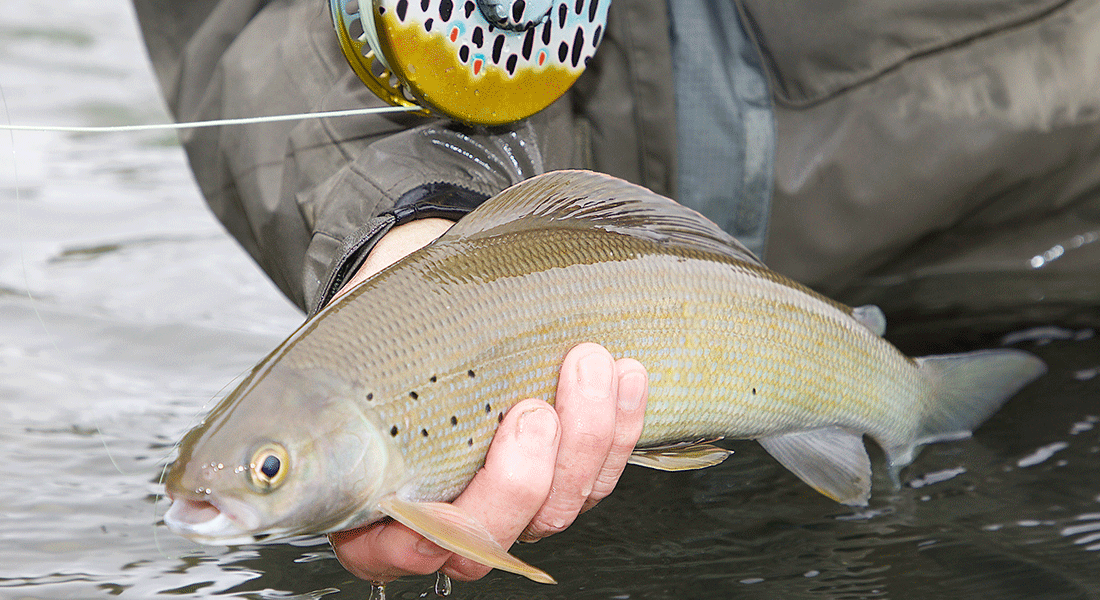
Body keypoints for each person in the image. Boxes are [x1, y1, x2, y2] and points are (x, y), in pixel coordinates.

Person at [133, 0, 1100, 584]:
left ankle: (912, 402)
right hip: (587, 214)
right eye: (268, 469)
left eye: (265, 470)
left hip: (1047, 201)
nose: (229, 487)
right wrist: (405, 213)